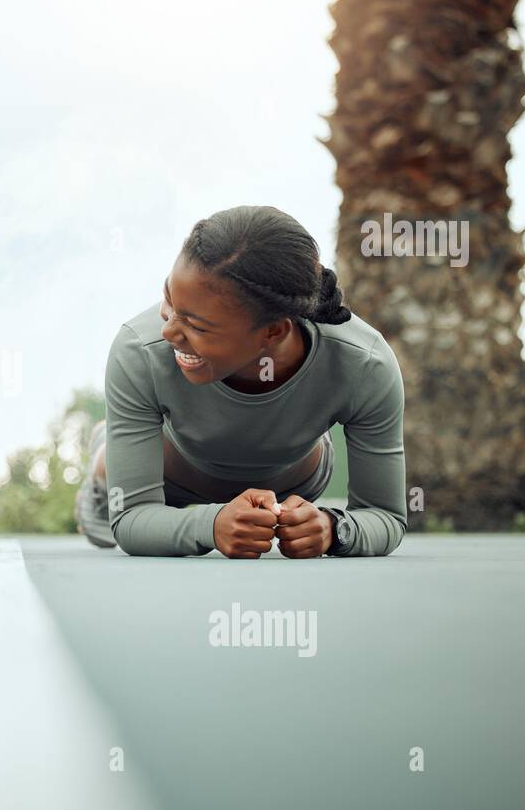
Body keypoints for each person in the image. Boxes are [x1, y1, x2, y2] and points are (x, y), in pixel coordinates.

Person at [76, 204, 406, 559]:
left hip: (294, 480)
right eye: (169, 300)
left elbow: (385, 515)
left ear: (274, 331)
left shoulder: (365, 364)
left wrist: (333, 528)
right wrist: (209, 525)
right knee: (118, 470)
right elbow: (132, 519)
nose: (169, 331)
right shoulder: (139, 350)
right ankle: (106, 457)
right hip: (174, 474)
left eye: (197, 326)